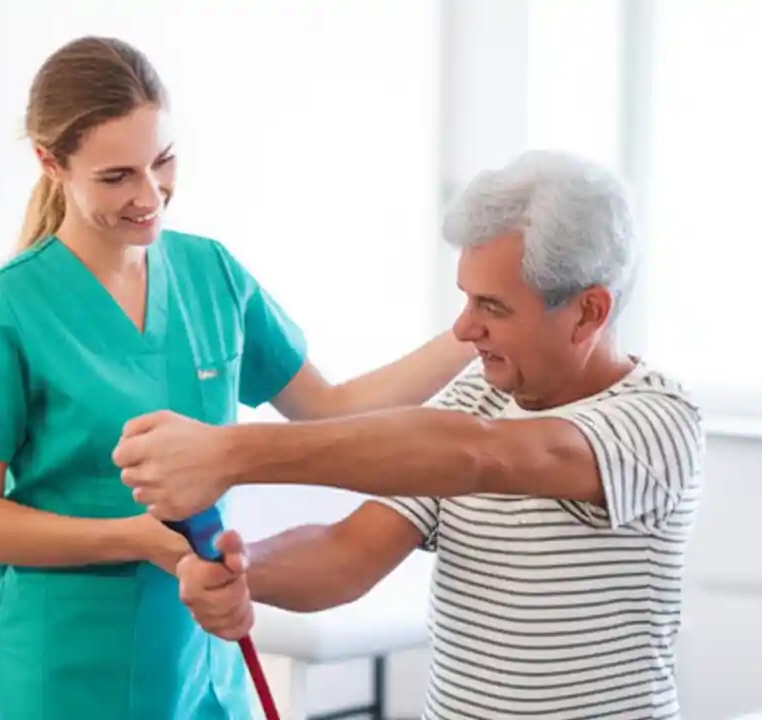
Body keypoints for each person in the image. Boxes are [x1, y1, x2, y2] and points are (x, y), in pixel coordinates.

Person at [0, 35, 475, 719]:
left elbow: (330, 410)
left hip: (196, 674)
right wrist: (133, 537)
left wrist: (469, 333)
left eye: (163, 161)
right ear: (50, 162)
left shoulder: (212, 276)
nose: (150, 195)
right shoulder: (6, 309)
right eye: (116, 176)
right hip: (59, 679)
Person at [115, 150, 706, 719]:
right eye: (466, 298)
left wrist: (230, 452)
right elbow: (349, 553)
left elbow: (477, 455)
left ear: (588, 312)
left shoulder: (656, 419)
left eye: (493, 307)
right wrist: (243, 572)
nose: (464, 327)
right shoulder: (480, 395)